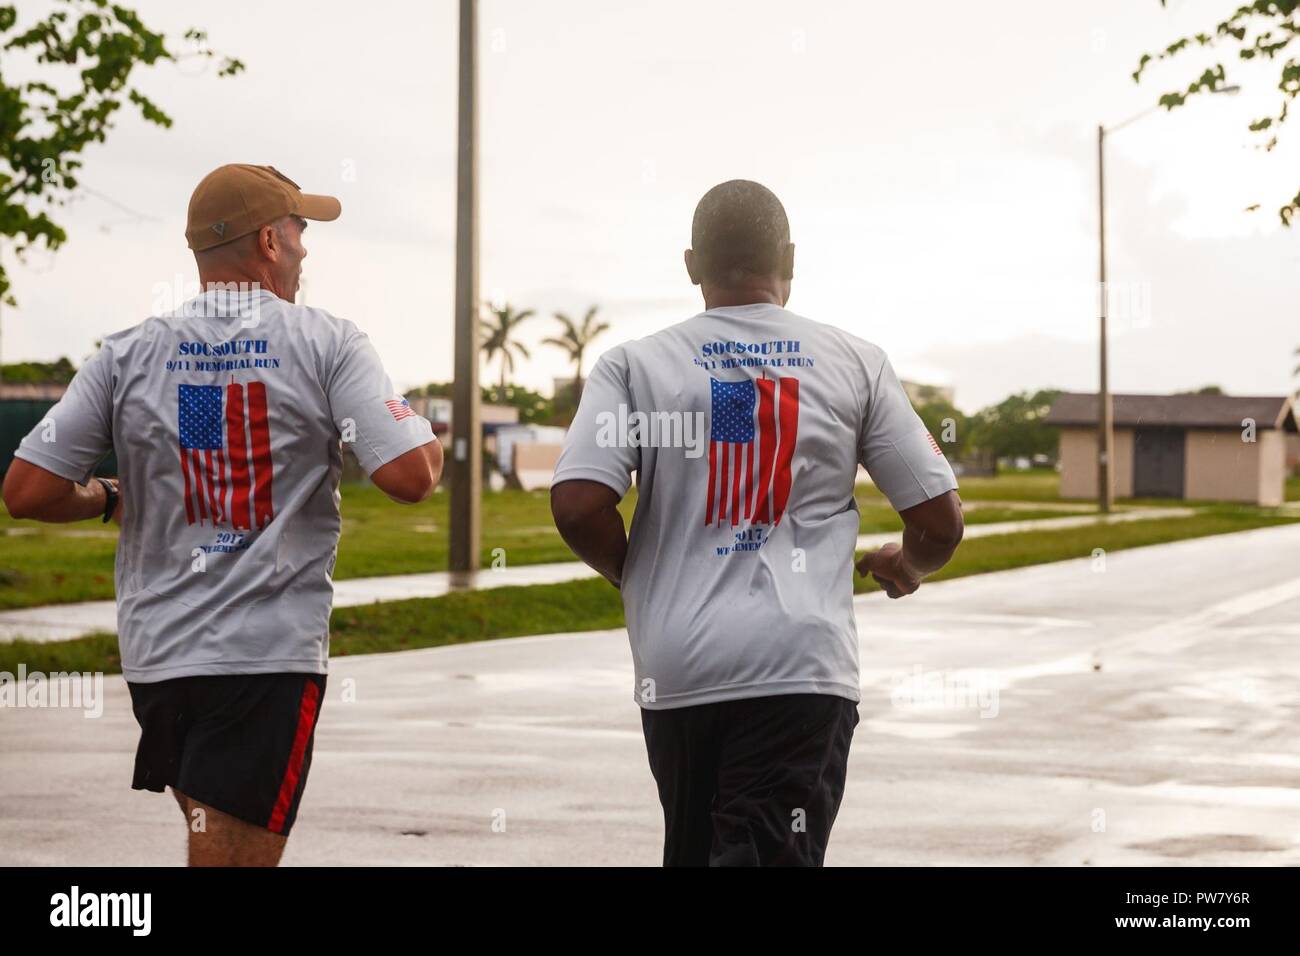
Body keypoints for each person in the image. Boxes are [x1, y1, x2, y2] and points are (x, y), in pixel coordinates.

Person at [2, 163, 442, 866]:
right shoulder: (327, 341)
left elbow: (29, 489)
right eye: (300, 230)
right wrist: (406, 423)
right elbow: (410, 476)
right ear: (269, 241)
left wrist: (108, 497)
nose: (306, 248)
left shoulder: (130, 352)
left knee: (211, 842)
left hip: (158, 659)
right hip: (262, 660)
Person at [550, 179, 964, 866]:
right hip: (798, 668)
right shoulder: (856, 362)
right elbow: (940, 523)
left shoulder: (634, 365)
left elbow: (577, 504)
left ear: (692, 265)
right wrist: (906, 565)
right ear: (790, 260)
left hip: (678, 668)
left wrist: (641, 574)